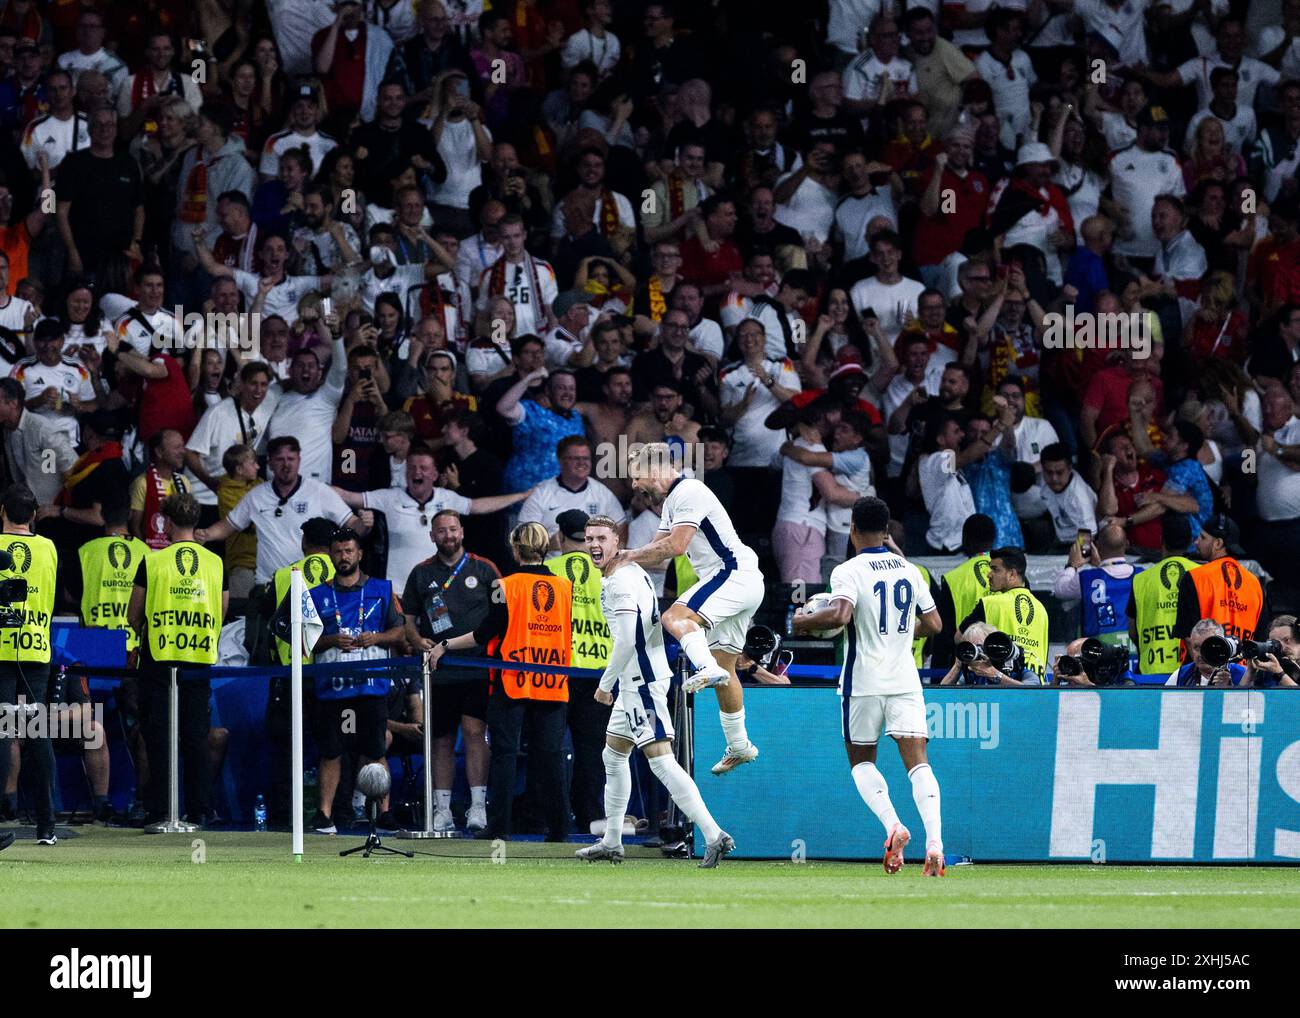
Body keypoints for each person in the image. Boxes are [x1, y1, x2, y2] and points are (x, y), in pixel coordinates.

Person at [791, 496, 945, 876]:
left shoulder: (848, 570)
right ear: (888, 529)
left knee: (861, 762)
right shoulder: (910, 571)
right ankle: (936, 844)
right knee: (918, 764)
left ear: (853, 529)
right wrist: (906, 633)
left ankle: (893, 826)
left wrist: (802, 622)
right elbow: (936, 625)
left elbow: (841, 615)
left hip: (863, 682)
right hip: (905, 678)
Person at [576, 515, 734, 867]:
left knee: (661, 762)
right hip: (641, 681)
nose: (594, 545)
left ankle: (713, 834)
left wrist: (605, 686)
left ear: (618, 541)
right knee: (613, 755)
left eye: (602, 538)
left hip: (640, 683)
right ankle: (612, 841)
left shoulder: (619, 581)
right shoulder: (630, 572)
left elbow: (628, 640)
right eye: (589, 539)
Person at [612, 442, 763, 775]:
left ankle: (705, 667)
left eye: (637, 476)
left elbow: (677, 546)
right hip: (739, 580)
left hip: (731, 573)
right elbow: (659, 551)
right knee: (727, 670)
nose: (635, 485)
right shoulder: (671, 503)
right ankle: (740, 745)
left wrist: (630, 555)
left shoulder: (689, 490)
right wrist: (626, 560)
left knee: (674, 617)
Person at [428, 521, 572, 840]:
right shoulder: (565, 586)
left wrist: (446, 644)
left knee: (505, 753)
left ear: (516, 548)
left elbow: (484, 633)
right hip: (553, 680)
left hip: (513, 680)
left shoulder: (504, 585)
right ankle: (559, 828)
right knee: (549, 756)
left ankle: (499, 828)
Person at [127, 494, 227, 826]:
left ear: (167, 522)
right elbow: (222, 610)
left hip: (159, 660)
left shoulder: (153, 562)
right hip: (198, 659)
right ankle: (199, 811)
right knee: (196, 737)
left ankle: (160, 811)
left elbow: (133, 615)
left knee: (158, 737)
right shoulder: (215, 563)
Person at [402, 509, 499, 833]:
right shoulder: (420, 573)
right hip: (438, 670)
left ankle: (477, 807)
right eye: (441, 531)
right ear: (432, 536)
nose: (448, 536)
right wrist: (418, 642)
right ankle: (441, 810)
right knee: (441, 739)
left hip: (476, 667)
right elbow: (409, 623)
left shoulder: (485, 569)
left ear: (462, 532)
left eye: (453, 529)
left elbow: (501, 617)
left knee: (475, 733)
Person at [305, 527, 406, 834]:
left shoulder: (382, 589)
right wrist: (332, 639)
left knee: (376, 751)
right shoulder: (317, 594)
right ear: (331, 555)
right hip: (332, 688)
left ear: (360, 554)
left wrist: (376, 637)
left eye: (349, 550)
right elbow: (305, 639)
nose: (343, 556)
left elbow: (400, 631)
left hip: (370, 685)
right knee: (331, 751)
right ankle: (324, 816)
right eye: (338, 551)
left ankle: (384, 812)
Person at [543, 509, 611, 836]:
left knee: (550, 747)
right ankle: (590, 817)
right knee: (592, 751)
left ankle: (552, 819)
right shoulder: (608, 573)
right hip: (599, 673)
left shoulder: (548, 571)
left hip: (556, 671)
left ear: (559, 537)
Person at [0, 484, 57, 843]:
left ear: (2, 510)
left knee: (2, 735)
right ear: (34, 515)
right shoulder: (49, 548)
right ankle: (47, 825)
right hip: (36, 647)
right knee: (38, 733)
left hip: (2, 650)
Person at [960, 546, 1050, 683]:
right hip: (1036, 693)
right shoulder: (1042, 609)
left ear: (1012, 574)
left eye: (995, 569)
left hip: (1001, 692)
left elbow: (960, 638)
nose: (989, 574)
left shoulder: (989, 603)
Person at [1174, 512, 1266, 643]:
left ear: (1218, 543)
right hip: (1242, 663)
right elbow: (1260, 639)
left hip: (1204, 662)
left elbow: (1188, 634)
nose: (1196, 541)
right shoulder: (1255, 584)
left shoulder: (1195, 577)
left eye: (1203, 537)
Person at [1053, 522, 1141, 650]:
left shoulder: (1086, 578)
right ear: (1127, 544)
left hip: (1098, 659)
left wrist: (1072, 565)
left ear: (1097, 546)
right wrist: (1100, 566)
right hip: (1137, 657)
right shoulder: (1143, 575)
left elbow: (1061, 590)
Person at [1127, 515, 1197, 677]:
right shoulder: (1201, 574)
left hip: (1151, 672)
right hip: (1190, 672)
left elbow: (1133, 631)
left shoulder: (1141, 579)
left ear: (1162, 540)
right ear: (1190, 541)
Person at [931, 513, 995, 668]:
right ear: (994, 539)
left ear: (965, 539)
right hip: (1004, 662)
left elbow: (943, 636)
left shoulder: (953, 578)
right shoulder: (1012, 575)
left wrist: (938, 681)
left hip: (966, 664)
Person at [1167, 618, 1246, 687]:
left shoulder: (1241, 675)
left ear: (1220, 646)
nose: (1201, 654)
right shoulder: (1181, 675)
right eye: (1197, 647)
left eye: (1208, 647)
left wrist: (1229, 689)